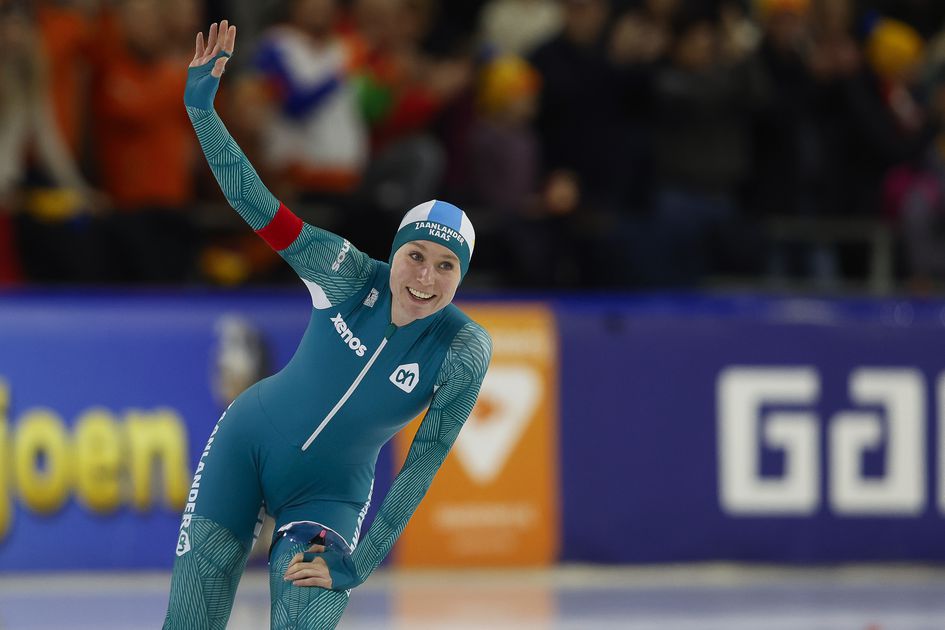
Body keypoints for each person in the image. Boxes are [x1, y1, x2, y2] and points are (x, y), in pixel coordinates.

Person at [163, 20, 493, 630]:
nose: (425, 276)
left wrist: (360, 563)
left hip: (327, 500)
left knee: (303, 621)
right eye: (415, 255)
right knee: (190, 621)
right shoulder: (344, 273)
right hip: (246, 446)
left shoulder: (463, 350)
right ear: (392, 254)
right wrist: (202, 111)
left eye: (446, 267)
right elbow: (258, 205)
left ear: (461, 279)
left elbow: (424, 463)